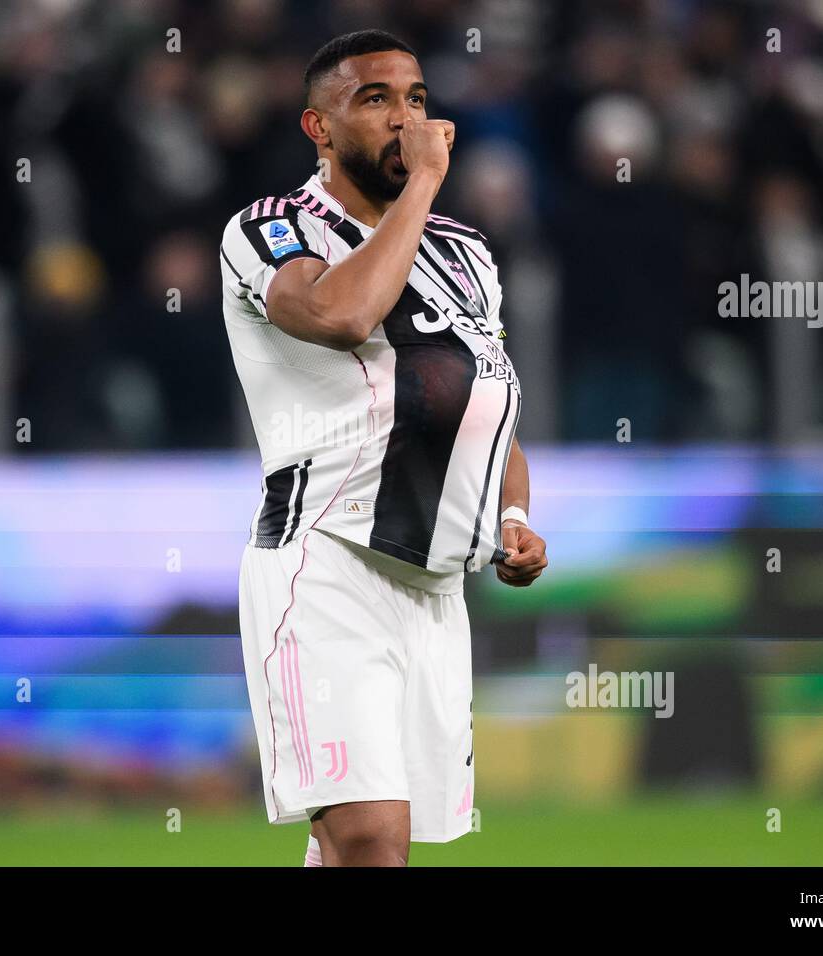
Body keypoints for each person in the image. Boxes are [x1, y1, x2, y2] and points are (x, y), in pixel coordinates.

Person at [218, 29, 547, 867]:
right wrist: (426, 184)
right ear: (317, 127)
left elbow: (490, 398)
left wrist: (513, 512)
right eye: (375, 100)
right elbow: (339, 316)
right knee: (369, 838)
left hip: (434, 589)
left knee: (366, 850)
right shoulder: (272, 229)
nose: (404, 119)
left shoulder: (467, 253)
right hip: (327, 561)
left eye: (417, 99)